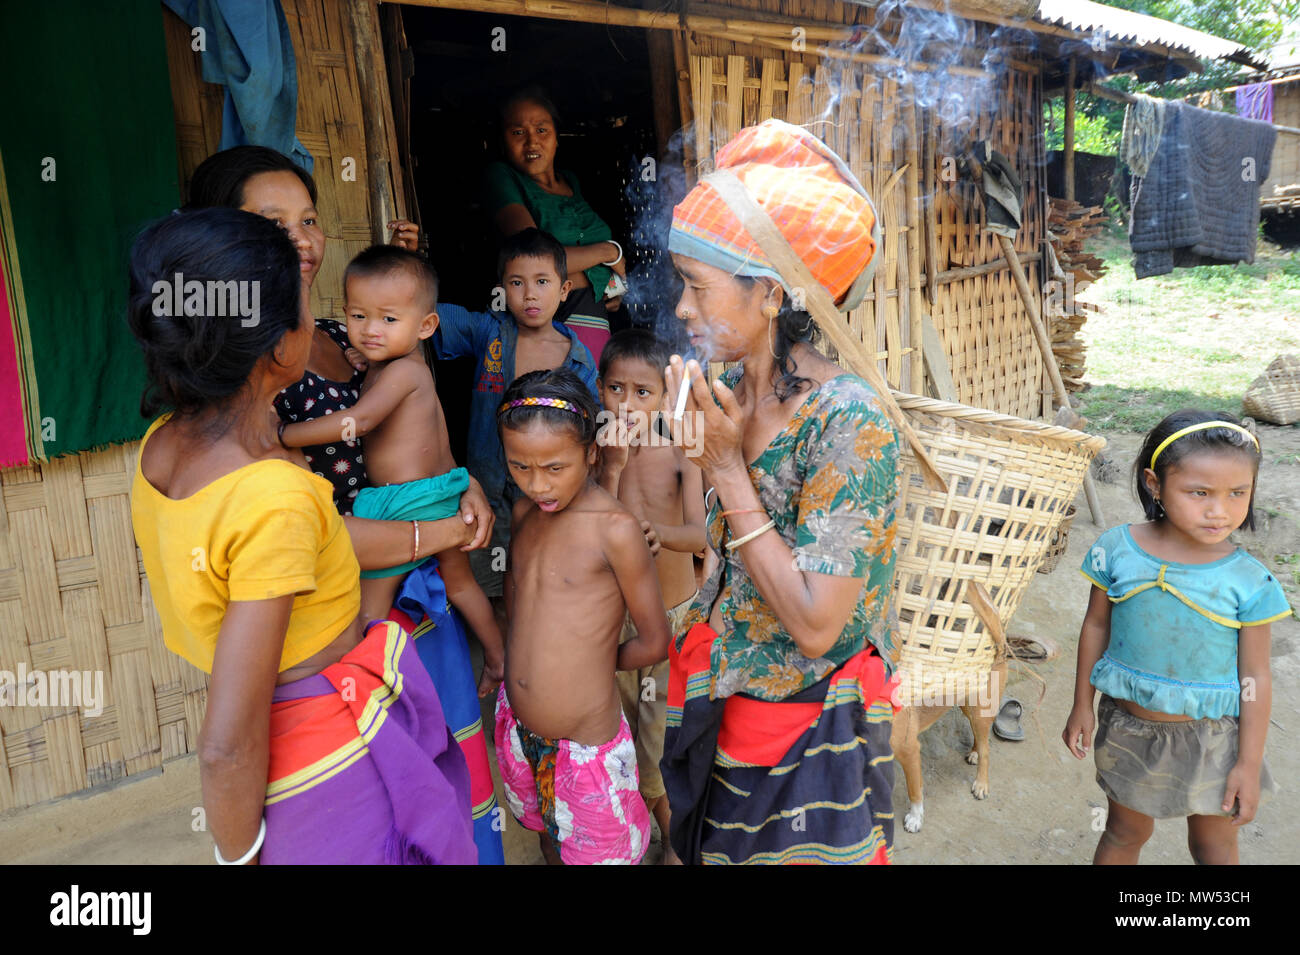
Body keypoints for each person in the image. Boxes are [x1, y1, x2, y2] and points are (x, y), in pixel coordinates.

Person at [128, 207, 477, 864]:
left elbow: (312, 546)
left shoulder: (160, 451)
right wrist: (241, 855)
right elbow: (225, 743)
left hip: (299, 740)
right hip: (326, 757)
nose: (319, 324)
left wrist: (433, 530)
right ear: (278, 345)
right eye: (304, 309)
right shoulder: (272, 491)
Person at [658, 119, 900, 865]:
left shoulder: (850, 424)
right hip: (728, 704)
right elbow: (726, 560)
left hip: (809, 726)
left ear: (767, 294)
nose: (683, 310)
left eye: (698, 288)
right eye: (681, 286)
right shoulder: (730, 391)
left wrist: (728, 472)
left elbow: (817, 625)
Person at [1064, 410, 1289, 865]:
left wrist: (1248, 761)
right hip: (1128, 730)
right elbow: (1096, 626)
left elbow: (1255, 677)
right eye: (1199, 492)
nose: (1219, 510)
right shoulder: (1116, 550)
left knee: (1214, 845)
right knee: (1124, 833)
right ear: (1154, 484)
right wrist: (1082, 704)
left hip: (1215, 741)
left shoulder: (1249, 582)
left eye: (1237, 493)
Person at [279, 246, 505, 696]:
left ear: (425, 326)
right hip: (434, 489)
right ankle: (497, 658)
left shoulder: (405, 371)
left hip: (407, 501)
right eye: (359, 317)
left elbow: (358, 422)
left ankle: (369, 695)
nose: (370, 330)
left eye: (387, 319)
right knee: (459, 584)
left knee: (369, 612)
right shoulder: (383, 364)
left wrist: (285, 434)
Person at [495, 368, 670, 865]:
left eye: (554, 467)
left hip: (585, 749)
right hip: (520, 728)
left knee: (596, 855)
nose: (536, 484)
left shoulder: (614, 530)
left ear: (591, 453)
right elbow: (519, 594)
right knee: (548, 835)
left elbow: (656, 640)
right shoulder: (526, 513)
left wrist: (588, 662)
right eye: (520, 467)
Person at [433, 228, 599, 602]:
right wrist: (405, 259)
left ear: (563, 289)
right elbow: (424, 315)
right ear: (501, 289)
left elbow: (594, 430)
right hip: (485, 493)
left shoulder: (578, 360)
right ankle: (495, 657)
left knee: (541, 586)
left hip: (549, 499)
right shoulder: (489, 333)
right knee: (485, 585)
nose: (529, 295)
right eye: (516, 283)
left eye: (542, 282)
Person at [596, 330, 705, 864]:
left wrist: (661, 534)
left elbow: (700, 534)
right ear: (599, 389)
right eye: (616, 388)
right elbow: (590, 529)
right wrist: (612, 467)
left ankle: (674, 838)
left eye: (643, 392)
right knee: (617, 729)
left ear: (664, 396)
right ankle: (631, 832)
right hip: (616, 620)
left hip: (670, 614)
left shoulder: (683, 450)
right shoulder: (595, 455)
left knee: (660, 735)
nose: (627, 403)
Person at [484, 87, 627, 360]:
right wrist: (609, 253)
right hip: (550, 320)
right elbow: (535, 259)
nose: (531, 142)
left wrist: (611, 287)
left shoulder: (570, 180)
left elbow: (571, 258)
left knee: (589, 397)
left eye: (541, 130)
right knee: (555, 399)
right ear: (502, 142)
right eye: (517, 132)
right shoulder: (502, 178)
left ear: (557, 137)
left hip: (594, 314)